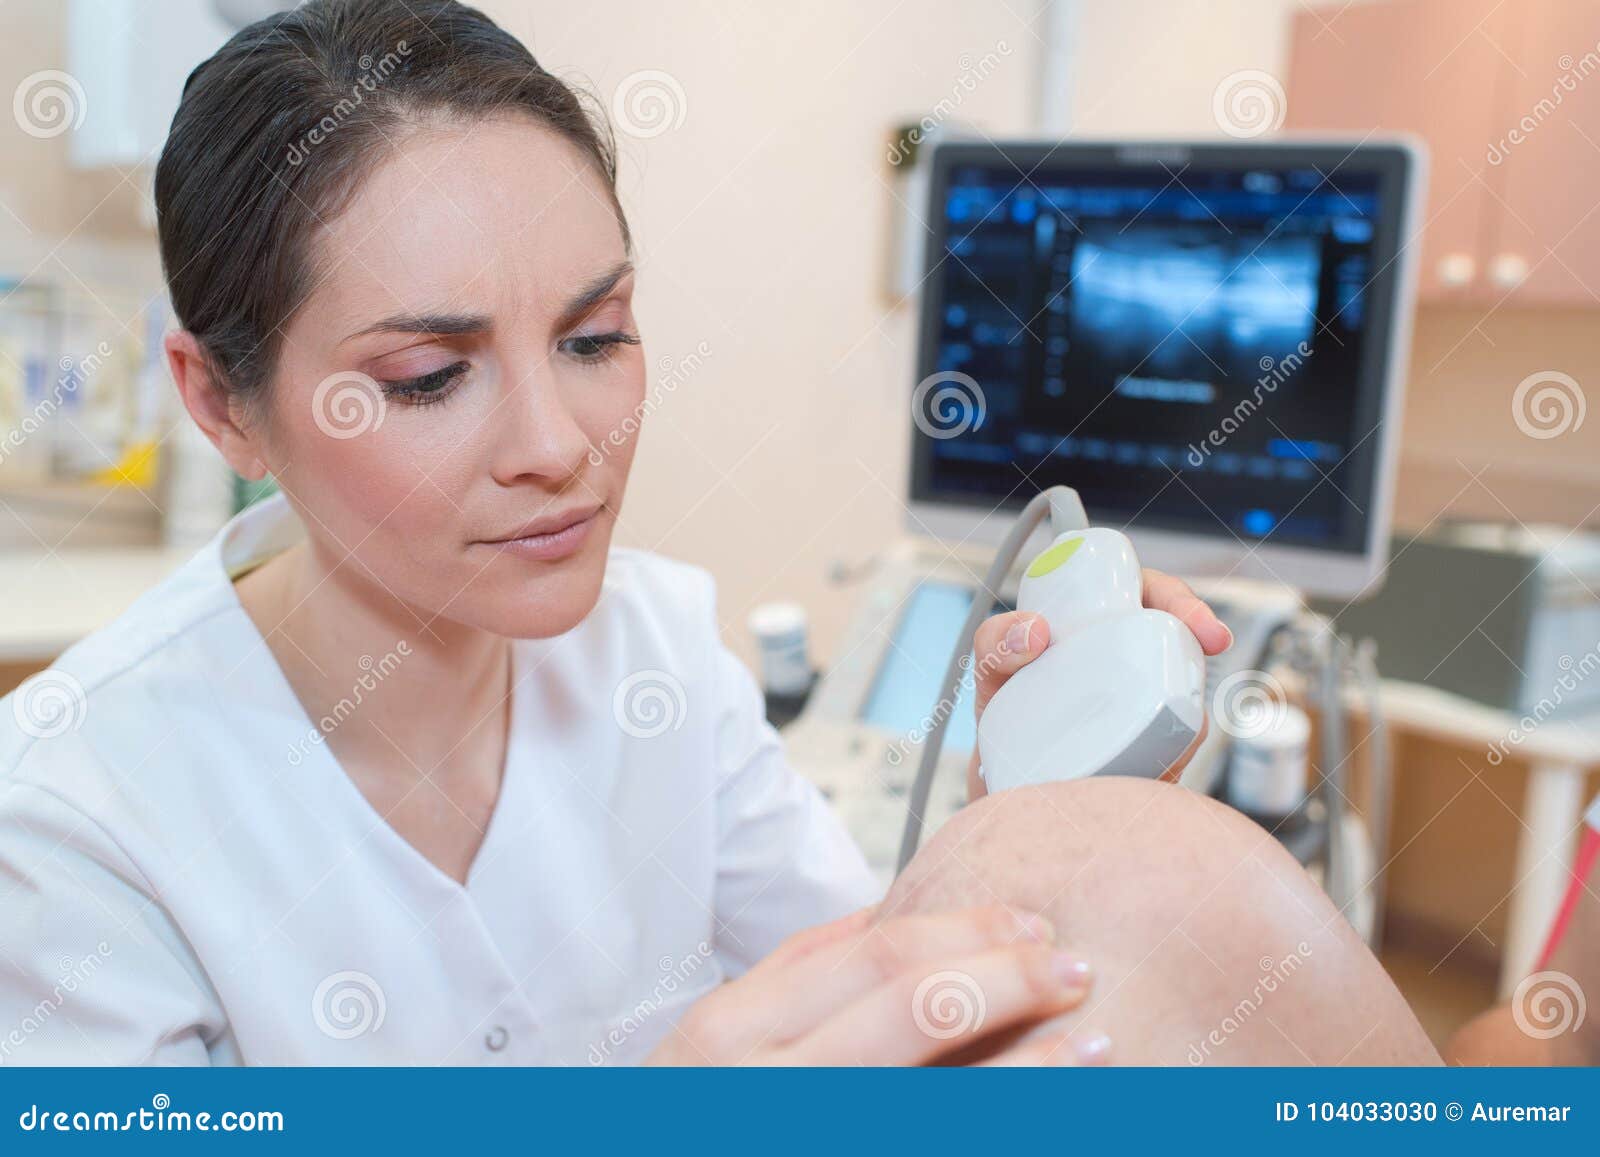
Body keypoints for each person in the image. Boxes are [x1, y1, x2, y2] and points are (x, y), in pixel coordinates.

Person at [0, 0, 1407, 1067]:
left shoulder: (658, 650)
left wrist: (1024, 817)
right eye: (429, 377)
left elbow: (861, 974)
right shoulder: (77, 815)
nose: (559, 445)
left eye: (597, 335)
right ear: (221, 401)